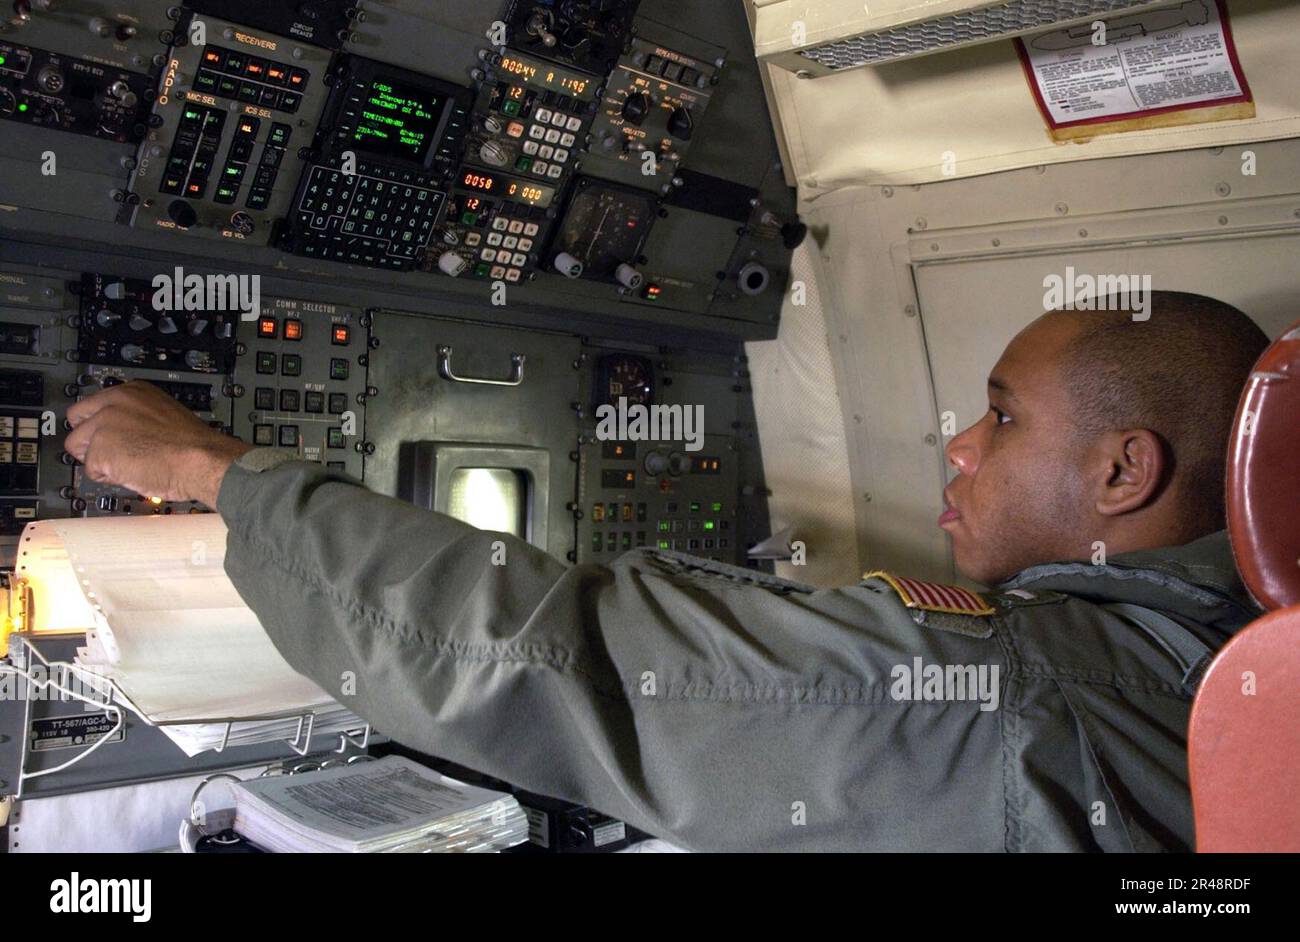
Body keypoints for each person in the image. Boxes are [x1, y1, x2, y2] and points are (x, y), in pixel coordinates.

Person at [62, 291, 1270, 851]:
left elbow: (534, 659)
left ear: (1124, 472)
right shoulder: (1219, 649)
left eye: (1001, 419)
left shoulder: (1011, 693)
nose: (958, 444)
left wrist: (216, 466)